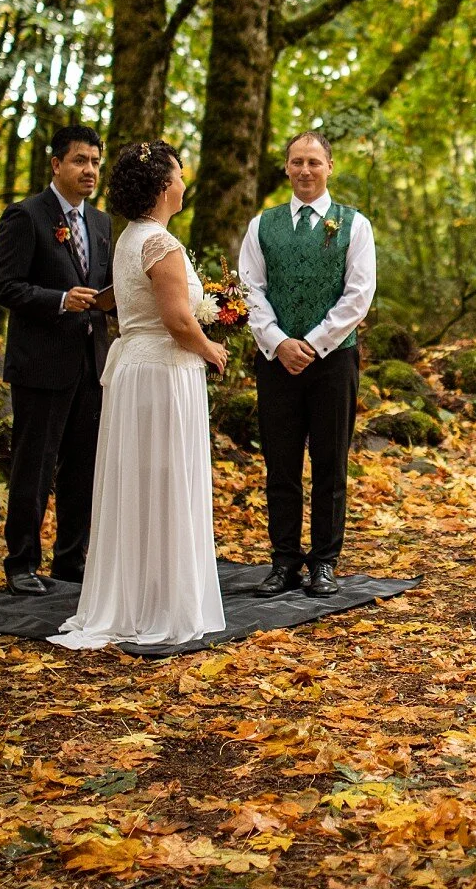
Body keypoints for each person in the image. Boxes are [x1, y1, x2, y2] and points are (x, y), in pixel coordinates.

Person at [50, 142, 230, 649]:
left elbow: (122, 302)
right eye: (179, 174)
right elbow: (177, 321)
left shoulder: (130, 237)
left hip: (135, 368)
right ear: (163, 185)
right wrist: (212, 349)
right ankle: (162, 604)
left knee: (139, 481)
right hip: (163, 374)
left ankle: (137, 596)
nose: (184, 182)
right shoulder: (161, 244)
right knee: (166, 478)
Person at [237, 131, 377, 599]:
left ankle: (324, 563)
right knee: (280, 464)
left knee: (330, 463)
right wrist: (279, 342)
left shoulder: (355, 225)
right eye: (297, 161)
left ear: (329, 167)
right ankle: (284, 561)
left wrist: (313, 344)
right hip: (276, 362)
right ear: (286, 168)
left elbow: (358, 295)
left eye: (314, 162)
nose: (305, 170)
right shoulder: (262, 225)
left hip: (334, 361)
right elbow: (250, 290)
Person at [0, 126, 114, 596]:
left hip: (92, 363)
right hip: (41, 365)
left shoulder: (100, 223)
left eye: (95, 162)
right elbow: (5, 286)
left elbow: (104, 283)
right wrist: (61, 300)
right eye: (80, 160)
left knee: (83, 468)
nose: (90, 170)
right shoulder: (25, 216)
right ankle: (21, 562)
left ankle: (70, 561)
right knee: (34, 467)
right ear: (57, 164)